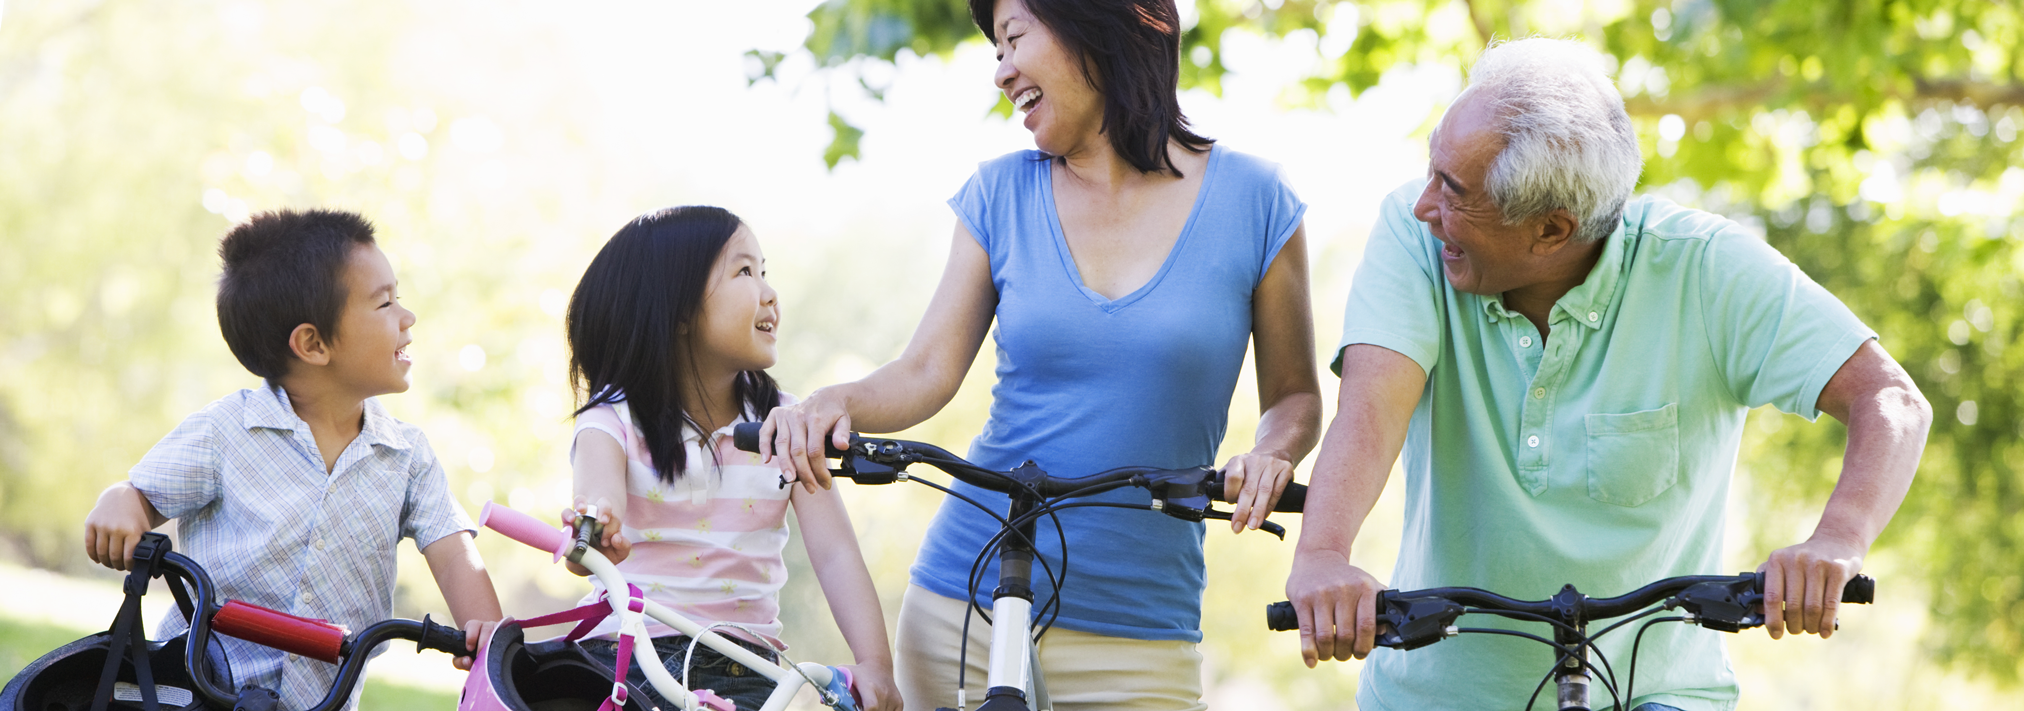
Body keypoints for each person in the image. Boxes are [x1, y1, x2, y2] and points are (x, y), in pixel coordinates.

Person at [1284, 38, 1931, 711]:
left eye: (1454, 190)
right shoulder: (1418, 240)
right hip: (1435, 693)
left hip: (1657, 692)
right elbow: (1370, 408)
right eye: (1432, 170)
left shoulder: (1703, 269)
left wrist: (1837, 539)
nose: (1425, 204)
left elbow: (1891, 398)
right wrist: (1325, 552)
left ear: (1550, 231)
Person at [757, 0, 1323, 707]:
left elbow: (1296, 395)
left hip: (1142, 633)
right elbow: (927, 371)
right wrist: (834, 402)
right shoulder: (1000, 194)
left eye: (1013, 38)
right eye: (995, 49)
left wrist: (1273, 451)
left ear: (1098, 23)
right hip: (966, 606)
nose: (1001, 71)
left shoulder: (1257, 200)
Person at [81, 209, 503, 710]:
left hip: (327, 698)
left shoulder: (406, 456)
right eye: (385, 303)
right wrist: (120, 500)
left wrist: (490, 638)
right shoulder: (227, 431)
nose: (407, 318)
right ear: (313, 344)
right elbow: (142, 498)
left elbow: (454, 553)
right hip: (200, 683)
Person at [558, 206, 899, 711]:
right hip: (625, 658)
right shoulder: (612, 420)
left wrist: (875, 666)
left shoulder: (787, 424)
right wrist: (596, 529)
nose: (769, 293)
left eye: (765, 272)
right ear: (677, 313)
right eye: (745, 272)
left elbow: (836, 554)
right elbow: (596, 501)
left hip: (746, 666)